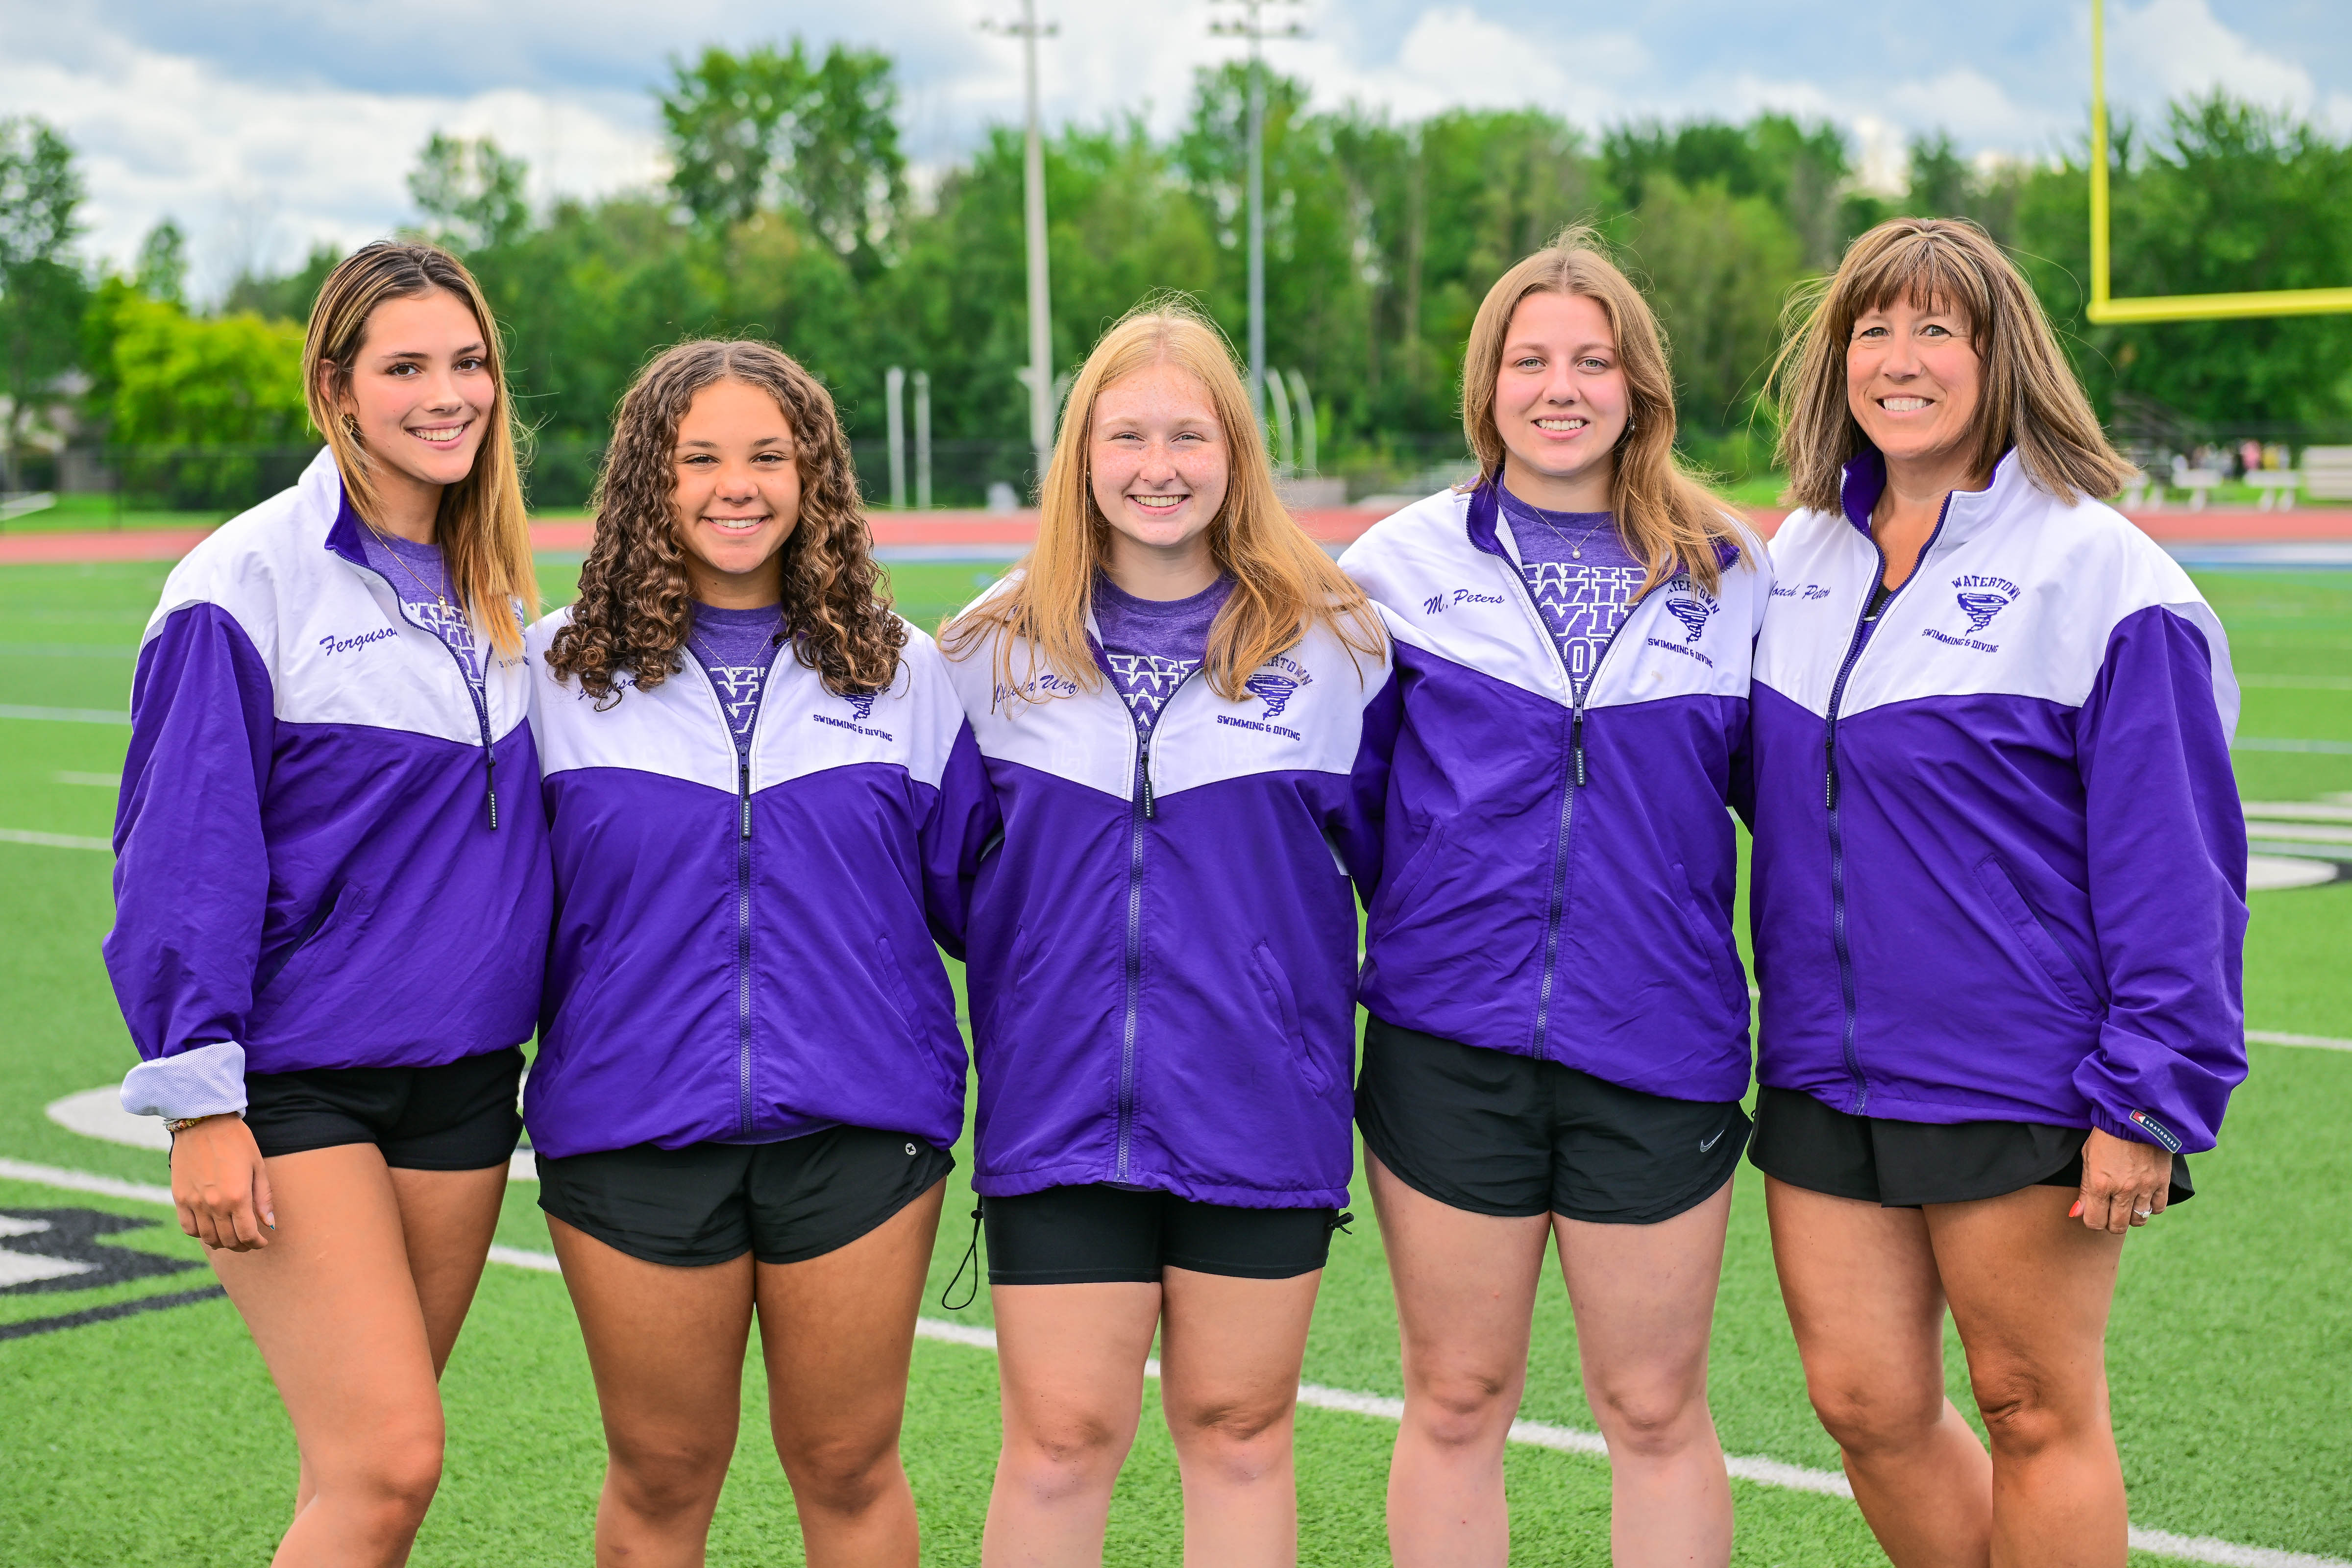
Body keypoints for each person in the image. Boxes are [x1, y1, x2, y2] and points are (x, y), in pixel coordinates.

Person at [1748, 217, 2247, 1568]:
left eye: (1936, 331)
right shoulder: (1794, 558)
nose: (1899, 360)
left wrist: (2147, 1093)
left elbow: (2178, 865)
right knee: (1862, 1404)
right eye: (1874, 330)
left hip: (2018, 1069)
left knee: (2031, 1409)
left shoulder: (2102, 574)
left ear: (2000, 358)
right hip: (1823, 1063)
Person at [104, 240, 550, 1566]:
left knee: (358, 1478)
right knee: (389, 1461)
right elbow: (181, 854)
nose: (447, 393)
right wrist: (199, 1101)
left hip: (468, 1084)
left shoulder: (501, 591)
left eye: (468, 364)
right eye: (405, 366)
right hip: (302, 1088)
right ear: (336, 386)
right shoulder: (243, 585)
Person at [1336, 229, 1769, 1568]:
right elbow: (1347, 806)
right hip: (1447, 1050)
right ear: (1488, 386)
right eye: (1531, 360)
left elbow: (1791, 801)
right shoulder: (1397, 566)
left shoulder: (1730, 567)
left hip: (1659, 1048)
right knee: (1458, 1397)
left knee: (1651, 1406)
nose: (1561, 386)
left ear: (1639, 384)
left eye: (1593, 359)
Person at [526, 339, 996, 1568]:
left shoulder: (906, 671)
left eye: (768, 456)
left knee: (847, 1466)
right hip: (629, 1133)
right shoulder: (556, 673)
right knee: (663, 1473)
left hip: (858, 1131)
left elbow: (979, 897)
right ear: (649, 481)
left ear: (815, 477)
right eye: (700, 458)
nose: (737, 486)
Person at [939, 300, 1393, 1568]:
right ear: (1080, 458)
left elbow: (1398, 865)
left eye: (1188, 437)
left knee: (1240, 1431)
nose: (1158, 467)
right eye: (1126, 436)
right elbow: (946, 882)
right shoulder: (987, 651)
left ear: (1236, 456)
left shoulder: (1338, 645)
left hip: (1263, 1107)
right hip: (1058, 1115)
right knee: (1060, 1440)